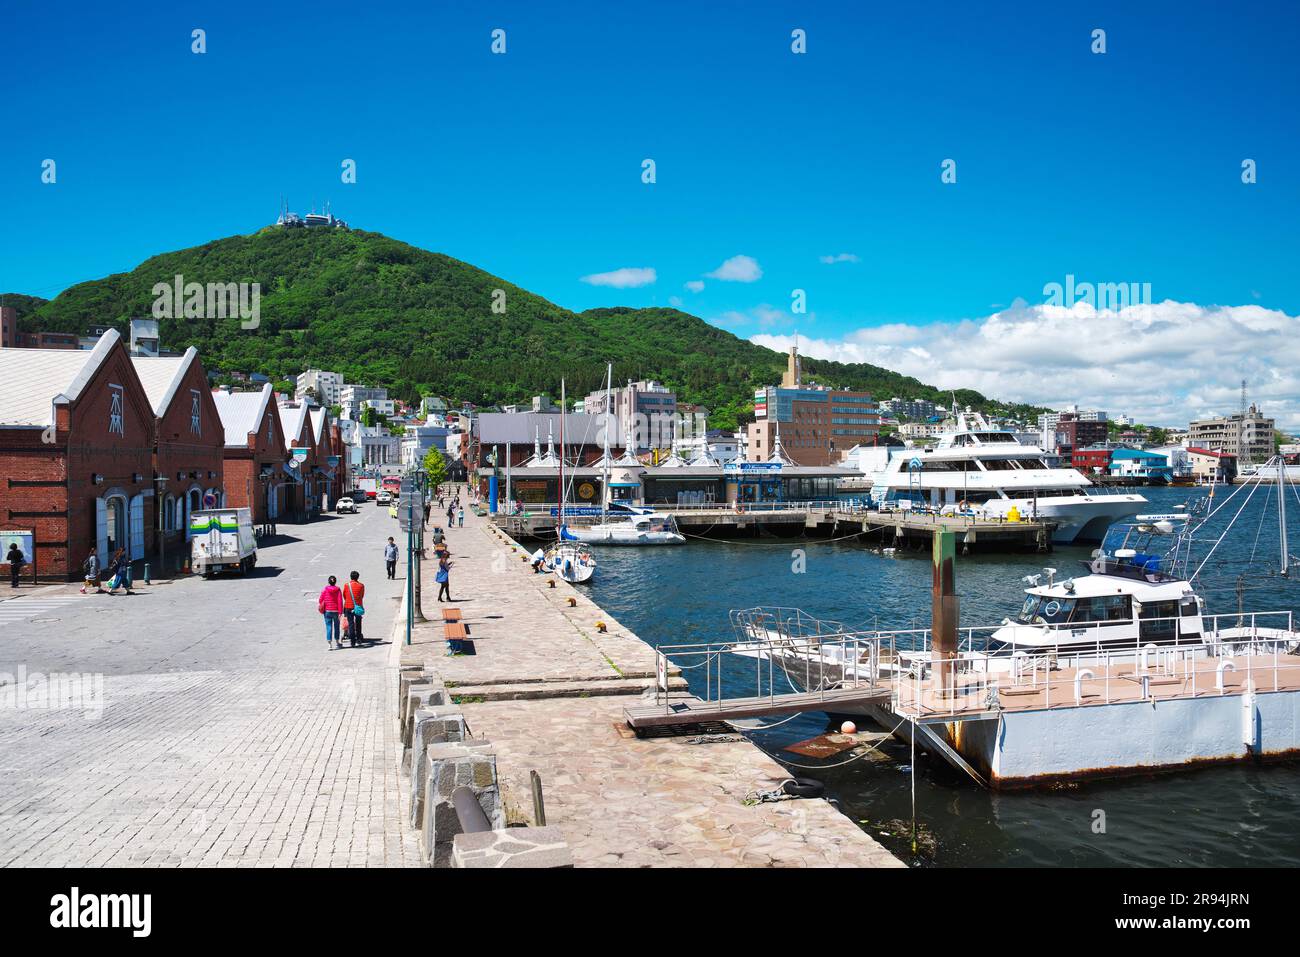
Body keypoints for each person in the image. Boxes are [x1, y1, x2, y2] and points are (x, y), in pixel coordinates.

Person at [319, 574, 343, 650]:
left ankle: (329, 644)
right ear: (335, 582)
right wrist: (340, 612)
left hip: (327, 611)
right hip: (336, 611)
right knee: (336, 627)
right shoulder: (338, 589)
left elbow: (320, 600)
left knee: (328, 626)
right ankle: (337, 642)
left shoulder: (325, 589)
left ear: (328, 582)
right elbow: (340, 601)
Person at [342, 570, 366, 646]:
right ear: (358, 577)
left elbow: (344, 595)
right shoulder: (361, 585)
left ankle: (352, 640)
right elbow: (362, 595)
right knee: (358, 622)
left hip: (348, 606)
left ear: (350, 577)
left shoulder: (346, 585)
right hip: (358, 606)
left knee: (351, 623)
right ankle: (358, 638)